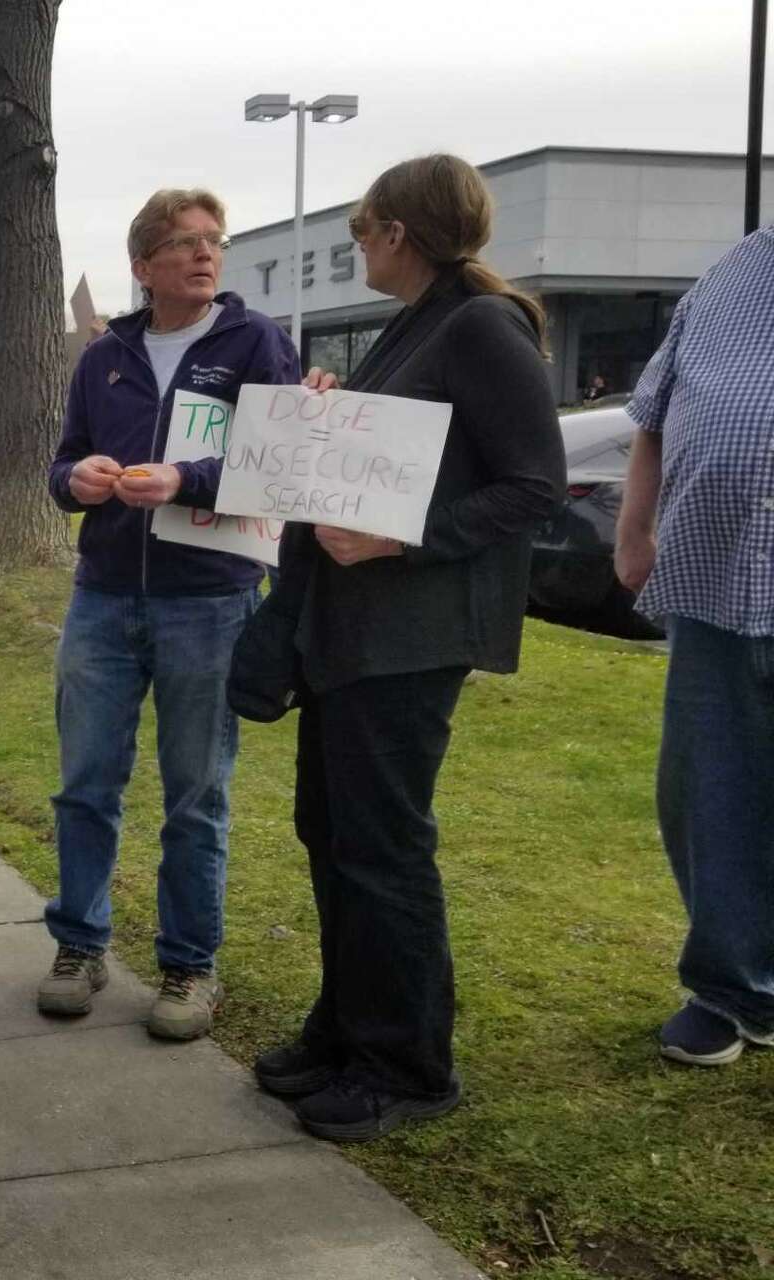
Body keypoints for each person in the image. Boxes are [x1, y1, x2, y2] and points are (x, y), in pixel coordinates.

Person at [249, 154, 563, 1141]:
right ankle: (346, 1028)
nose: (358, 246)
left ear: (403, 233)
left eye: (362, 230)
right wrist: (328, 413)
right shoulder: (421, 323)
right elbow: (403, 455)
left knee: (384, 848)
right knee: (331, 831)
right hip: (351, 633)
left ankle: (408, 1062)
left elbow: (533, 485)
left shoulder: (480, 324)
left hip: (407, 636)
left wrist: (399, 535)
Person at [39, 188, 298, 1040]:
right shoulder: (103, 356)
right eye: (186, 243)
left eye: (213, 241)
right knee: (86, 786)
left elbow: (281, 465)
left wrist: (186, 479)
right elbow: (65, 461)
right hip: (104, 597)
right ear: (144, 266)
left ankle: (190, 965)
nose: (205, 254)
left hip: (210, 601)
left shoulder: (256, 343)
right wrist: (73, 482)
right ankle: (80, 946)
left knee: (195, 795)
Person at [613, 226, 774, 1068]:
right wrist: (634, 533)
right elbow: (654, 417)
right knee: (709, 794)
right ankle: (729, 989)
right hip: (713, 583)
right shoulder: (726, 277)